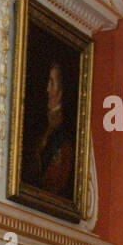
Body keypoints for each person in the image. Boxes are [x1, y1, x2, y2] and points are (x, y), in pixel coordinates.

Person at [30, 62, 75, 197]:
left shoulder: (63, 137)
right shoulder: (43, 127)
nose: (47, 89)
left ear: (61, 92)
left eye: (52, 83)